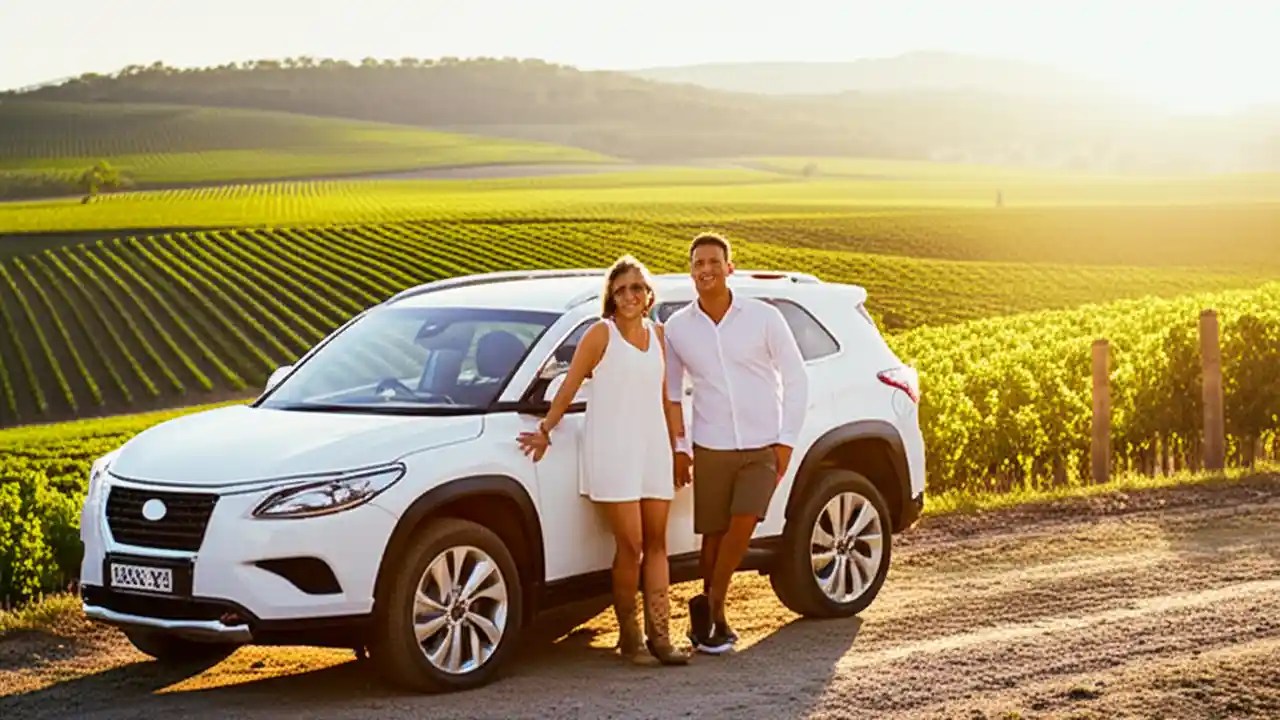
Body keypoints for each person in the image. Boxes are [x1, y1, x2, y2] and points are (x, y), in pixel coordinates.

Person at [516, 255, 692, 667]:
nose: (629, 296)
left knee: (658, 544)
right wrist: (545, 430)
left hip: (652, 449)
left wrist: (679, 448)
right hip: (612, 449)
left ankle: (661, 636)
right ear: (610, 298)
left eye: (636, 288)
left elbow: (669, 400)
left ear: (649, 296)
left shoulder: (661, 336)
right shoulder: (601, 334)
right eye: (620, 290)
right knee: (630, 545)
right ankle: (630, 638)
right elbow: (569, 385)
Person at [663, 232, 809, 654]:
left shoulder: (763, 317)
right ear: (690, 271)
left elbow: (796, 378)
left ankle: (715, 606)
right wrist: (680, 446)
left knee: (742, 524)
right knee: (713, 534)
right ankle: (710, 626)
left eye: (713, 262)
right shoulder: (678, 328)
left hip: (763, 445)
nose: (705, 269)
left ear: (729, 268)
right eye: (698, 263)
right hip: (711, 445)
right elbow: (672, 393)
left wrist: (786, 441)